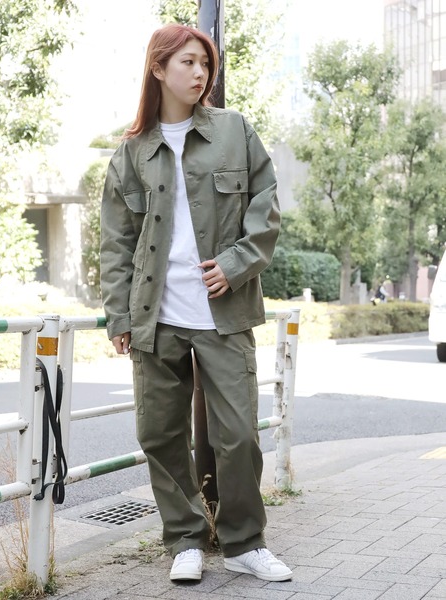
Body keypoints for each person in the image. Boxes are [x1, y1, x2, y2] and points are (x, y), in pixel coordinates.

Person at [100, 23, 292, 584]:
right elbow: (115, 243)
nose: (200, 73)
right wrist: (119, 315)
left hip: (222, 314)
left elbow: (266, 206)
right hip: (155, 316)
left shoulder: (234, 131)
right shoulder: (132, 152)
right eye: (188, 62)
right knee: (160, 434)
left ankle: (244, 543)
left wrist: (235, 263)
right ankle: (185, 539)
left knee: (239, 435)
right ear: (158, 68)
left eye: (205, 64)